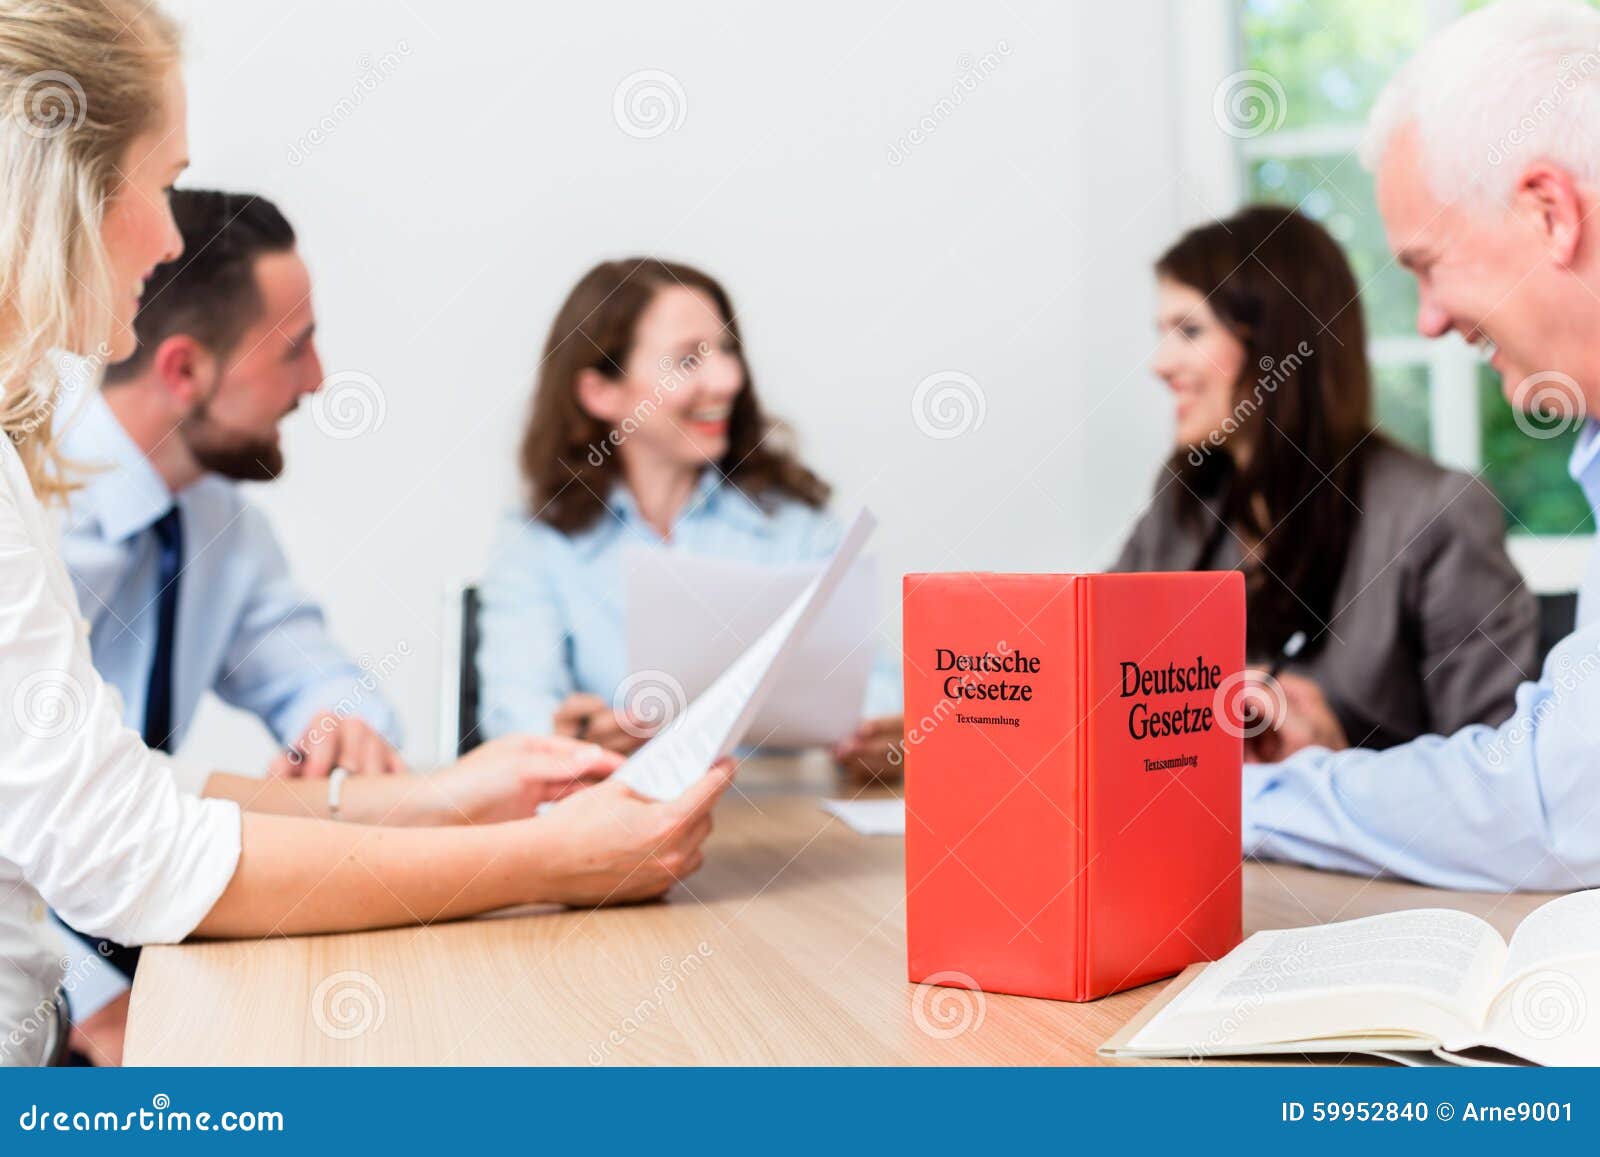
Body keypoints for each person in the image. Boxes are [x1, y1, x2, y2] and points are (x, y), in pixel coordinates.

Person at [0, 0, 727, 1068]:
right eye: (160, 184)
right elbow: (127, 855)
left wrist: (448, 795)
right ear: (63, 188)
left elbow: (119, 791)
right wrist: (543, 860)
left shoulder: (193, 522)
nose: (168, 233)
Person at [1243, 0, 1600, 890]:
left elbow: (1556, 807)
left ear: (1550, 212)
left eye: (1427, 265)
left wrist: (1250, 794)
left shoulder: (1428, 502)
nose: (1431, 320)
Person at [1116, 205, 1537, 754]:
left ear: (1277, 346)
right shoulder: (1185, 498)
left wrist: (1339, 761)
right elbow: (1102, 667)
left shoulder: (1436, 513)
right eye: (1162, 332)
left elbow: (1503, 777)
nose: (1160, 364)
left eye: (1190, 330)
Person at [475, 258, 903, 780]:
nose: (728, 379)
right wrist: (577, 739)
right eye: (687, 360)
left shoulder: (794, 524)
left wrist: (880, 735)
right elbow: (515, 720)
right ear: (600, 392)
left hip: (781, 834)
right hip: (618, 831)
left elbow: (876, 692)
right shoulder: (537, 539)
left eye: (726, 351)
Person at [60, 189, 402, 777]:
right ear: (184, 370)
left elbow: (312, 675)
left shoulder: (218, 523)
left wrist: (341, 729)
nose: (319, 381)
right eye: (294, 351)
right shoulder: (30, 514)